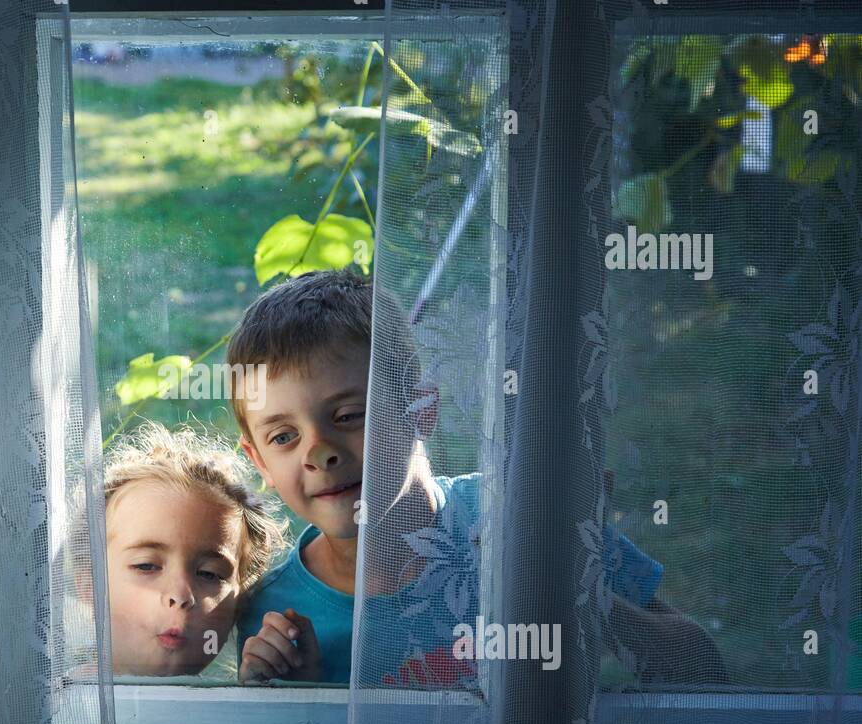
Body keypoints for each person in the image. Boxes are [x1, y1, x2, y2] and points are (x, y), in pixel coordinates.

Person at [228, 270, 727, 687]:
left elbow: (706, 675)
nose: (319, 453)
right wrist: (294, 696)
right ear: (260, 463)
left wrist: (576, 592)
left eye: (349, 415)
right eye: (284, 437)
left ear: (421, 411)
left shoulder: (514, 516)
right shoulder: (272, 614)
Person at [83, 420, 287, 678]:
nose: (181, 596)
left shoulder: (243, 705)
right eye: (146, 565)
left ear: (239, 601)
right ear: (89, 584)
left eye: (209, 574)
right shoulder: (46, 706)